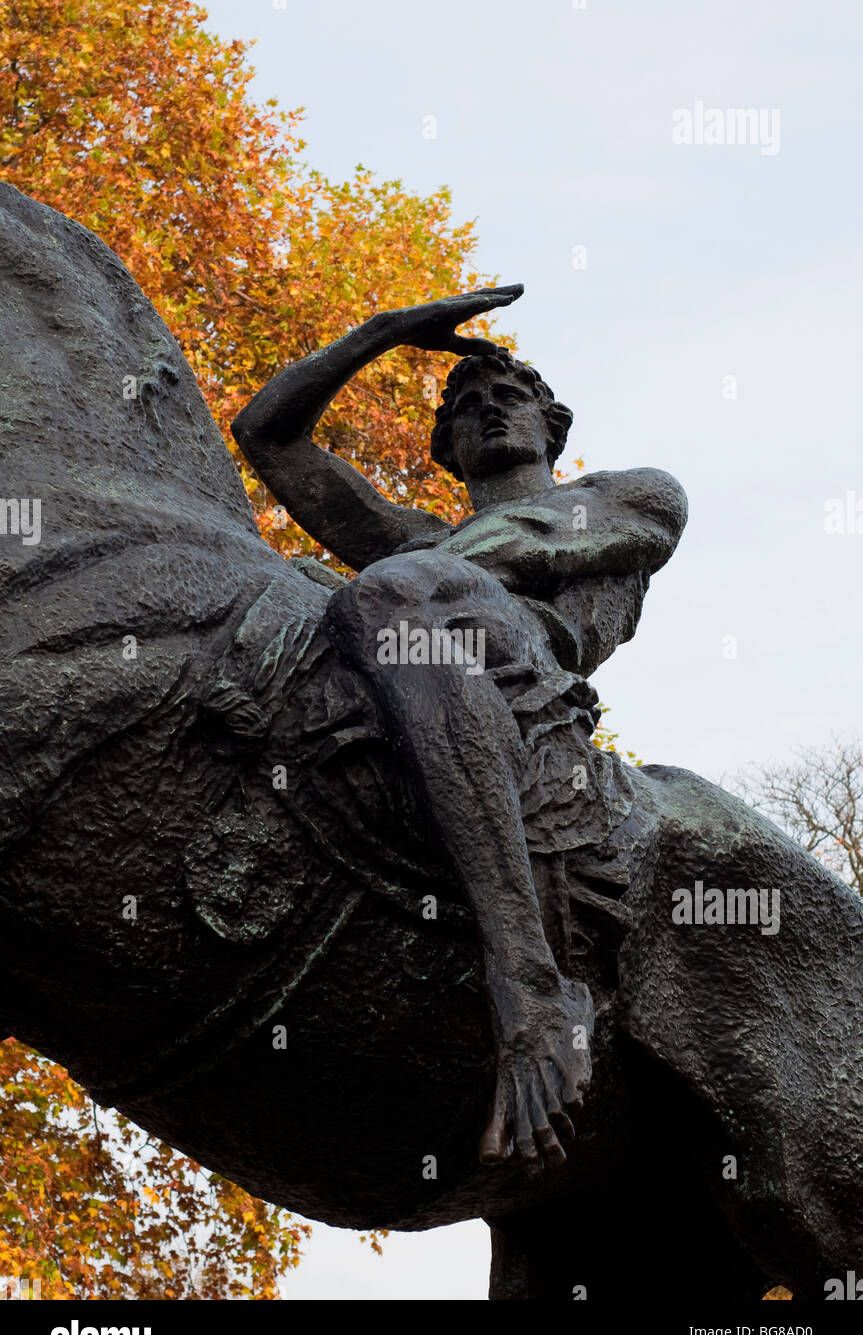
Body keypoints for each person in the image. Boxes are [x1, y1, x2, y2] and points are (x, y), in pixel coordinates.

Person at [231, 285, 687, 1174]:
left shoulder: (632, 495)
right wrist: (380, 333)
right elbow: (267, 438)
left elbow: (529, 544)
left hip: (529, 671)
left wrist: (377, 573)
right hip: (423, 643)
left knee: (394, 590)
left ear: (551, 425)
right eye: (464, 407)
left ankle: (531, 987)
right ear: (446, 448)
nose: (484, 410)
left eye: (504, 396)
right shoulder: (421, 544)